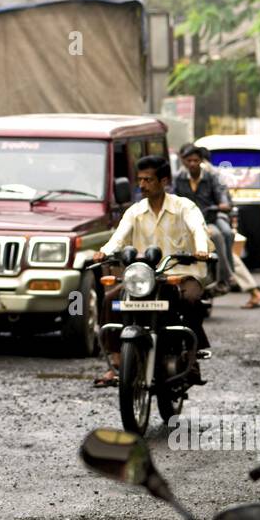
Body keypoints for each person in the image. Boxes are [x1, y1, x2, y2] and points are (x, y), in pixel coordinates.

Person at [93, 155, 211, 384]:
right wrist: (104, 252)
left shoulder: (184, 207)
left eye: (148, 180)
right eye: (140, 180)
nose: (142, 185)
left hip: (180, 274)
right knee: (111, 300)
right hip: (144, 277)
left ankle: (191, 357)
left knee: (190, 300)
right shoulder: (135, 212)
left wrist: (201, 249)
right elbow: (119, 237)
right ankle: (117, 362)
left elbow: (198, 228)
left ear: (164, 181)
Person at [172, 144, 236, 291]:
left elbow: (221, 195)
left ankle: (224, 277)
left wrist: (223, 205)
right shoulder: (178, 178)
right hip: (185, 222)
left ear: (201, 160)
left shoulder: (211, 177)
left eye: (195, 160)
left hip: (207, 219)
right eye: (189, 160)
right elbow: (172, 197)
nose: (192, 164)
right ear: (184, 161)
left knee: (221, 234)